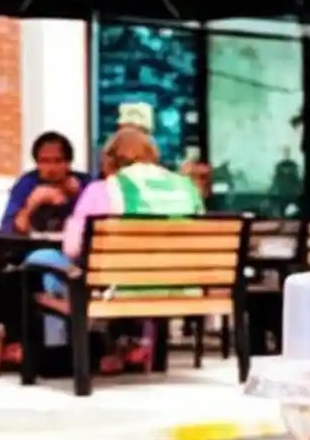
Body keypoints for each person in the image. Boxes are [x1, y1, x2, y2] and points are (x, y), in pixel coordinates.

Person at [26, 128, 205, 374]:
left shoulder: (105, 189)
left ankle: (61, 351)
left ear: (109, 160)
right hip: (179, 285)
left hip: (120, 285)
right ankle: (134, 345)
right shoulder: (186, 188)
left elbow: (72, 248)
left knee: (41, 259)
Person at [0, 132, 90, 234]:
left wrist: (79, 195)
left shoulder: (85, 184)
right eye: (45, 161)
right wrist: (32, 204)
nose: (51, 168)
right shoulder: (26, 184)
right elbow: (8, 231)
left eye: (58, 161)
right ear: (36, 163)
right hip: (34, 247)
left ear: (68, 163)